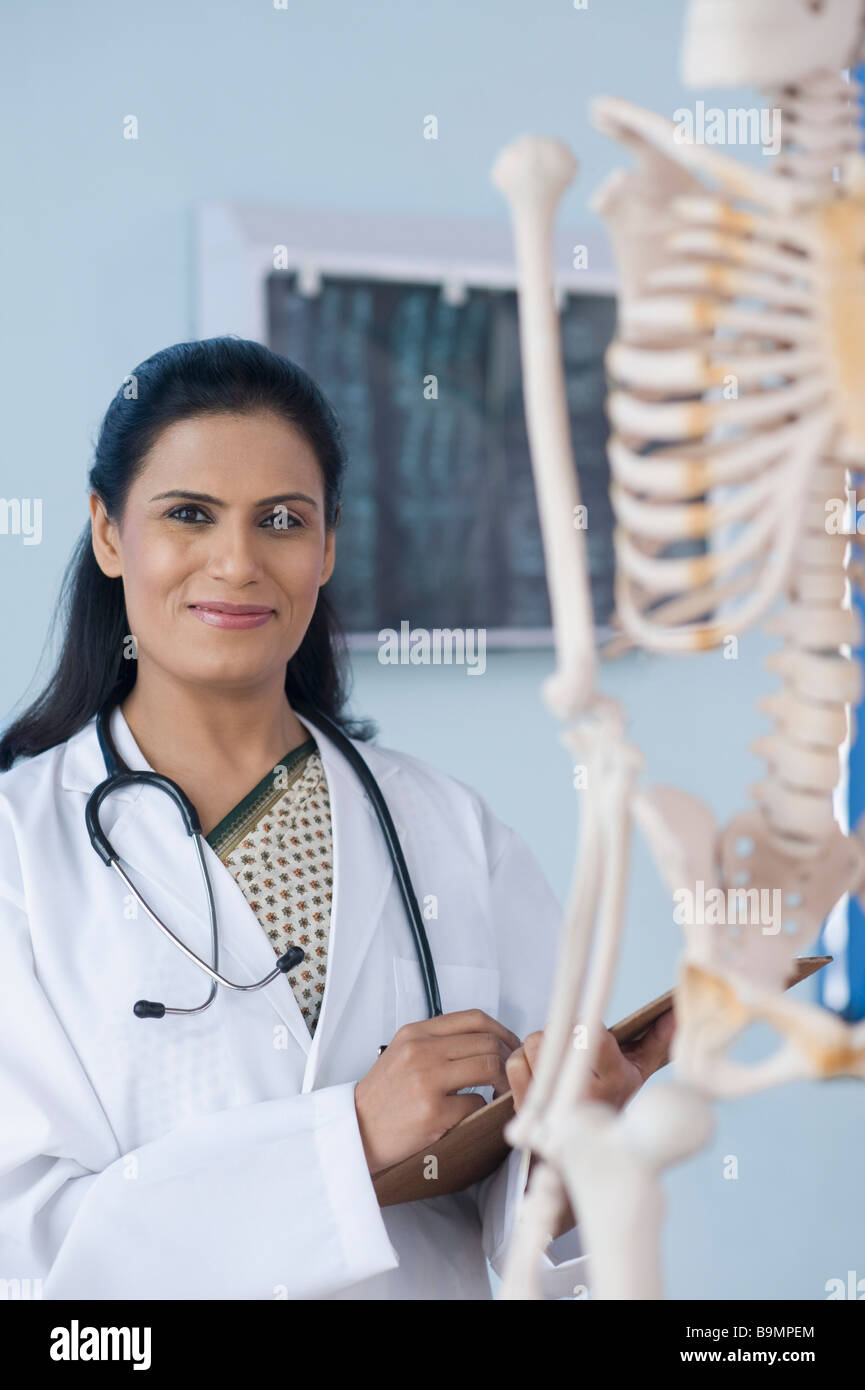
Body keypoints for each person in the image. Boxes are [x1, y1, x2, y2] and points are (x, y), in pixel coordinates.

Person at [0, 337, 673, 1300]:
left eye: (281, 520)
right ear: (109, 533)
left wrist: (571, 1163)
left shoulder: (448, 831)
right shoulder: (18, 856)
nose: (236, 562)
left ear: (326, 546)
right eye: (189, 515)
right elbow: (30, 1252)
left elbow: (539, 1233)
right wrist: (346, 1138)